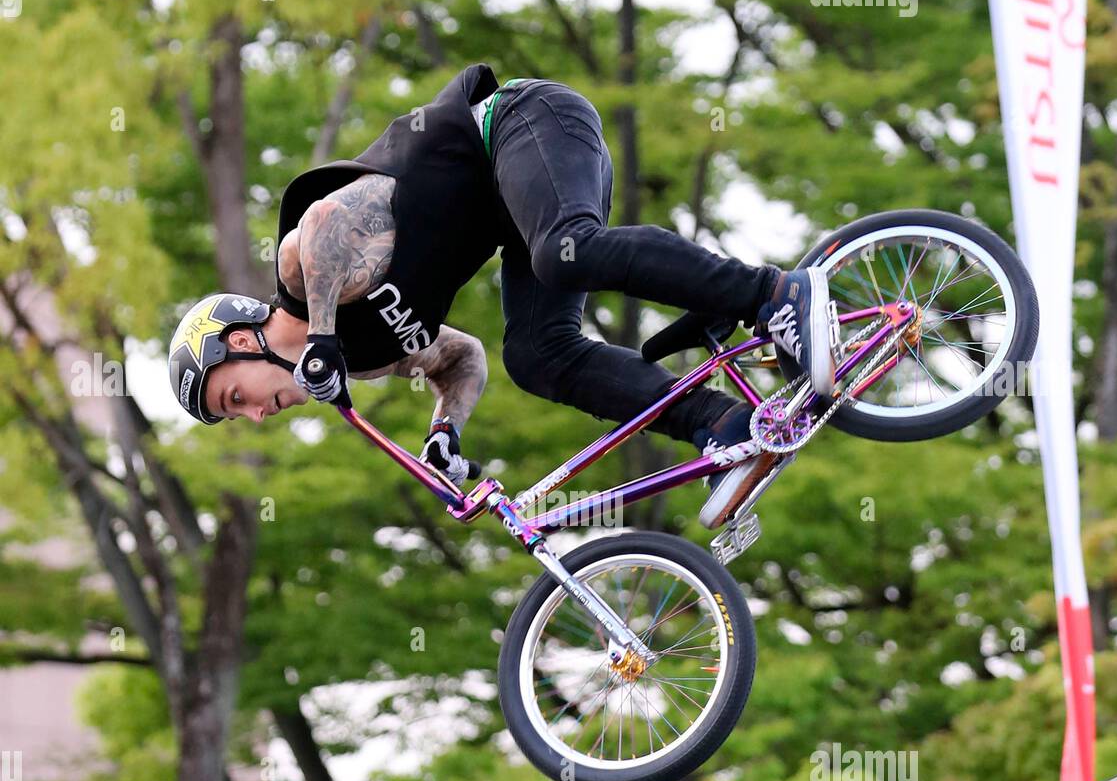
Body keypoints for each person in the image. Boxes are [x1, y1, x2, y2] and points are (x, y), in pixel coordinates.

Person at [167, 65, 837, 527]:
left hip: (521, 124)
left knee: (561, 250)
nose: (255, 415)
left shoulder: (297, 272)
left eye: (236, 397)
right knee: (536, 356)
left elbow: (333, 218)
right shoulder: (363, 356)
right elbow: (460, 358)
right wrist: (444, 432)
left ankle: (771, 294)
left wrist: (316, 335)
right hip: (514, 213)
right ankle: (719, 426)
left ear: (241, 340)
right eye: (236, 417)